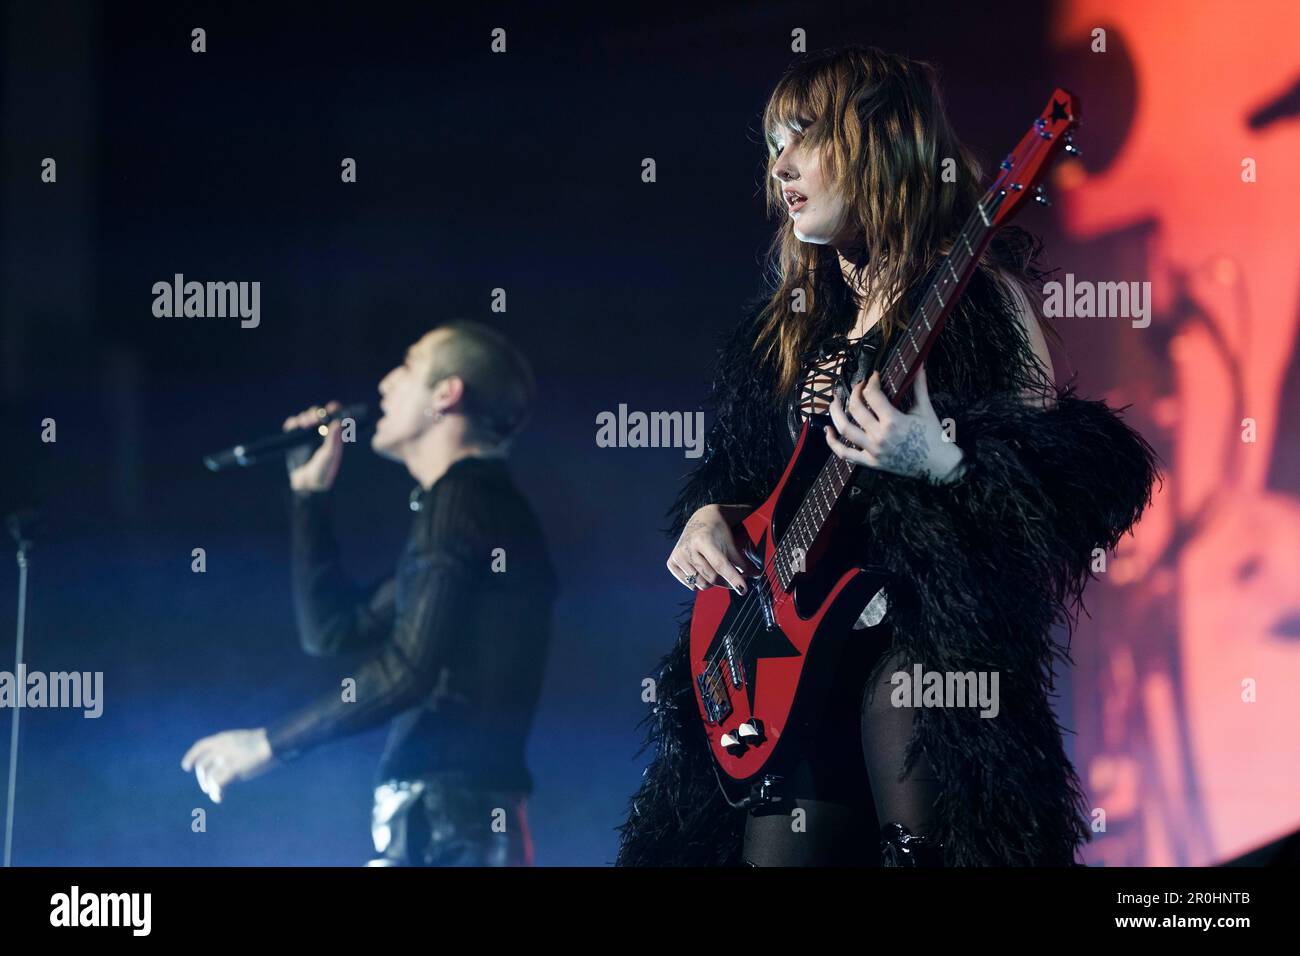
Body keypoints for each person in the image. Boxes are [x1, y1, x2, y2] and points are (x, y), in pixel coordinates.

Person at [617, 46, 1160, 866]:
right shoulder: (784, 335)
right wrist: (709, 514)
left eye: (804, 137)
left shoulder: (978, 302)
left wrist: (943, 460)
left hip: (913, 649)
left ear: (882, 145)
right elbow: (756, 483)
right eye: (772, 146)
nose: (780, 166)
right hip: (782, 658)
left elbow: (1068, 494)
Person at [182, 321, 557, 866]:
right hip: (452, 826)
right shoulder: (475, 507)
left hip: (447, 827)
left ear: (447, 394)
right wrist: (308, 495)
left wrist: (266, 744)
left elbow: (408, 669)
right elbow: (334, 630)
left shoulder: (463, 504)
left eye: (406, 367)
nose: (384, 384)